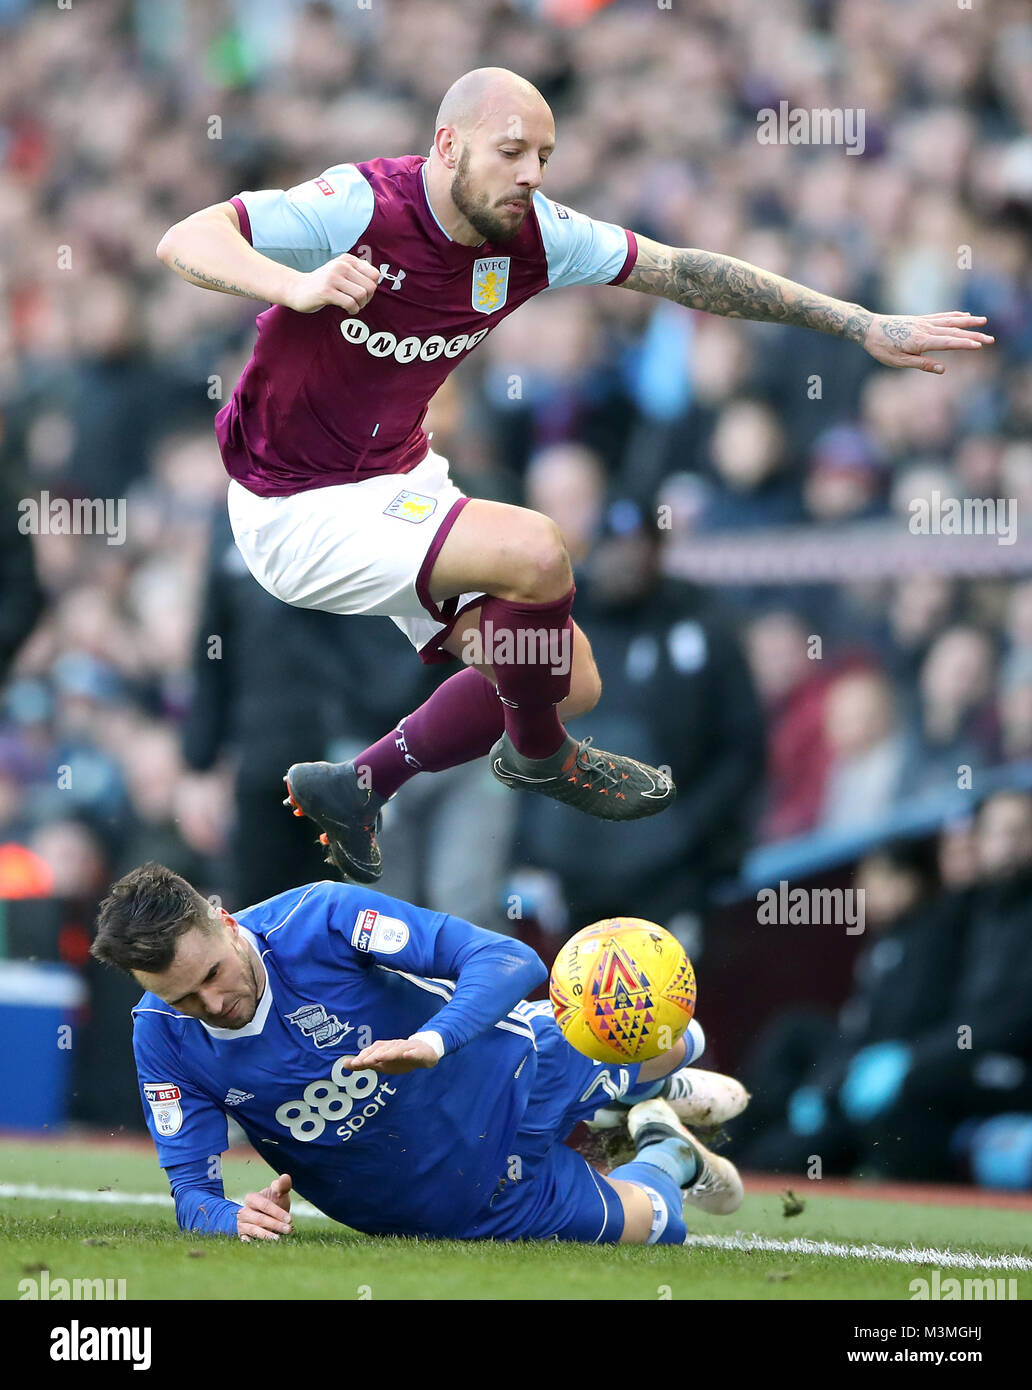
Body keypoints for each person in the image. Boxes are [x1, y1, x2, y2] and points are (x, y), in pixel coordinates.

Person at [155, 65, 992, 884]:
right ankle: (542, 757)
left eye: (543, 157)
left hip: (393, 480)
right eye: (511, 151)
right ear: (448, 145)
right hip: (291, 506)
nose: (531, 174)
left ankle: (359, 784)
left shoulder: (539, 236)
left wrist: (858, 322)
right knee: (539, 550)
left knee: (565, 676)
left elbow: (688, 272)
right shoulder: (361, 203)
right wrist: (293, 284)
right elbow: (185, 238)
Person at [90, 863, 748, 1245]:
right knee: (662, 1225)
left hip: (519, 1072)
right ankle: (672, 1150)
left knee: (671, 1035)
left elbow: (508, 958)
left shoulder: (320, 920)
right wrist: (236, 1217)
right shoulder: (160, 1037)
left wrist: (433, 1042)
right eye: (184, 1000)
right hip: (470, 1206)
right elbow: (191, 1196)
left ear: (226, 922)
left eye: (210, 976)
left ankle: (635, 1089)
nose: (211, 1004)